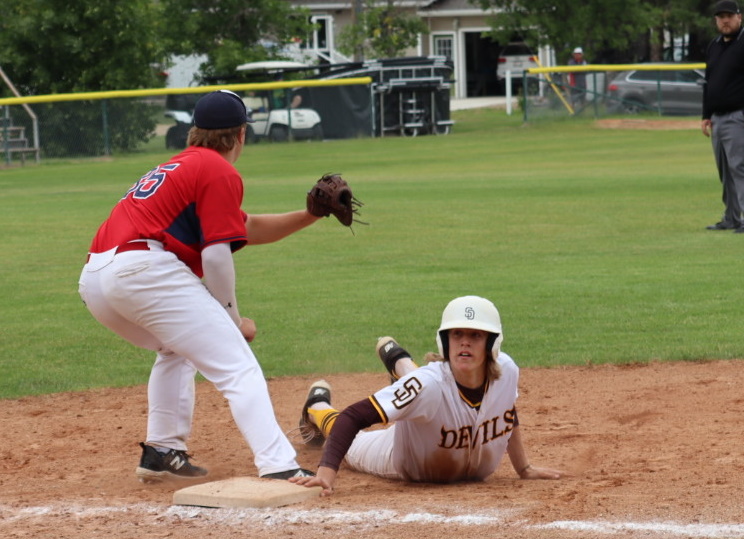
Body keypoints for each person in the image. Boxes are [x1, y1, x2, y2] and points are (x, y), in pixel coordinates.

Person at [78, 89, 322, 483]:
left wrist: (310, 215)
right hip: (142, 269)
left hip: (97, 278)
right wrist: (232, 318)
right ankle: (279, 465)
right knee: (238, 367)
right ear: (241, 134)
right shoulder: (219, 170)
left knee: (177, 350)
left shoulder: (182, 166)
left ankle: (162, 451)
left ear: (196, 132)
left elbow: (244, 228)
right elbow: (215, 255)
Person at [290, 296, 565, 496]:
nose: (465, 342)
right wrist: (325, 474)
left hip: (426, 400)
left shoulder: (506, 370)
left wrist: (524, 467)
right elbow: (352, 417)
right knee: (356, 437)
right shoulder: (428, 385)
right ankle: (317, 406)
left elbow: (506, 410)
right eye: (457, 334)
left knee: (423, 387)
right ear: (445, 341)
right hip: (397, 456)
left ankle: (398, 361)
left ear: (492, 344)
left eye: (475, 335)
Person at [701, 0, 744, 233]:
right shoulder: (715, 45)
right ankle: (732, 217)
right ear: (716, 20)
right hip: (719, 118)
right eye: (721, 17)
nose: (725, 20)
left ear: (739, 17)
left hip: (743, 116)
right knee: (726, 171)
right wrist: (706, 114)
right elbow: (709, 83)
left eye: (729, 16)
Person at [566, 47, 587, 112]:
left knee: (582, 100)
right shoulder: (571, 62)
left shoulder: (583, 62)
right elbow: (573, 71)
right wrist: (580, 69)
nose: (577, 55)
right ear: (574, 55)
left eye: (579, 54)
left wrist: (579, 70)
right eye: (576, 54)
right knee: (573, 100)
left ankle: (582, 113)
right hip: (574, 83)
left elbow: (585, 71)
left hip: (582, 83)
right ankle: (572, 113)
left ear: (582, 55)